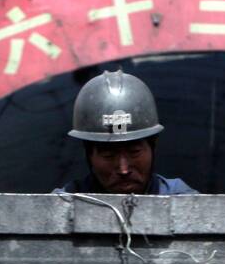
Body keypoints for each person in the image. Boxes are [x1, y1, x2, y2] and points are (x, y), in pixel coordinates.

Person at [55, 70, 198, 196]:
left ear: (153, 146)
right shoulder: (64, 205)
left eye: (134, 152)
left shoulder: (183, 201)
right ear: (89, 155)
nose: (123, 170)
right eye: (108, 155)